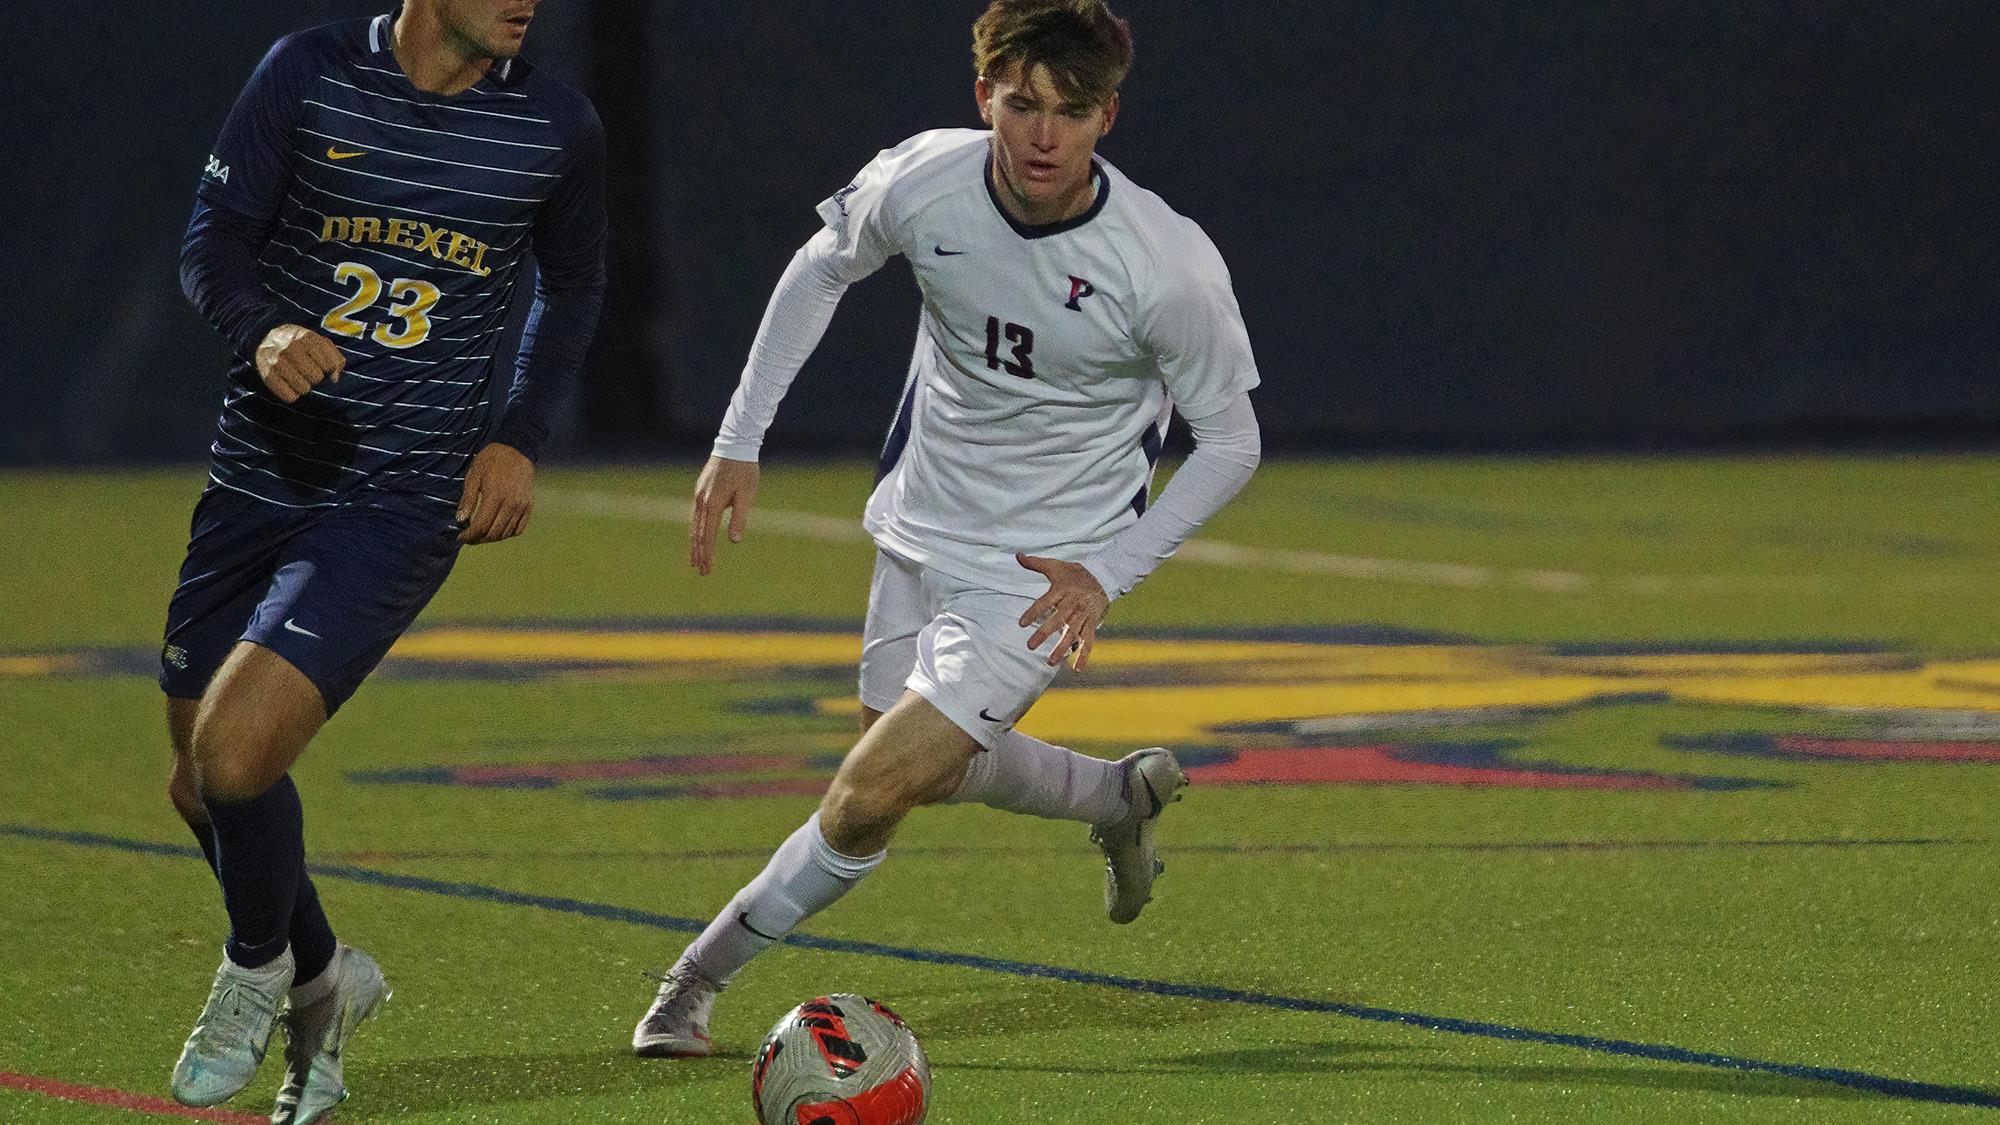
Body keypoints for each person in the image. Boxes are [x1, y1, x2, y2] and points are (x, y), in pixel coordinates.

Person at [633, 0, 1261, 1058]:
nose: (1041, 136)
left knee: (866, 790)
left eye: (1069, 110)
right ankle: (1115, 795)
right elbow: (819, 266)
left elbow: (1230, 441)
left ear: (1108, 116)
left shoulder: (1164, 265)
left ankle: (691, 987)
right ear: (984, 98)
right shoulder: (924, 177)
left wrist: (1104, 574)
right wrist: (739, 438)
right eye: (1021, 105)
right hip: (918, 525)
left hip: (1037, 569)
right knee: (913, 773)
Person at [162, 1, 604, 1119]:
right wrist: (263, 328)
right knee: (200, 784)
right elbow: (210, 238)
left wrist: (517, 434)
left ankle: (256, 969)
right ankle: (323, 982)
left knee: (236, 753)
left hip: (404, 497)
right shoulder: (305, 76)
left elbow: (572, 286)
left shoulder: (554, 126)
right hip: (257, 475)